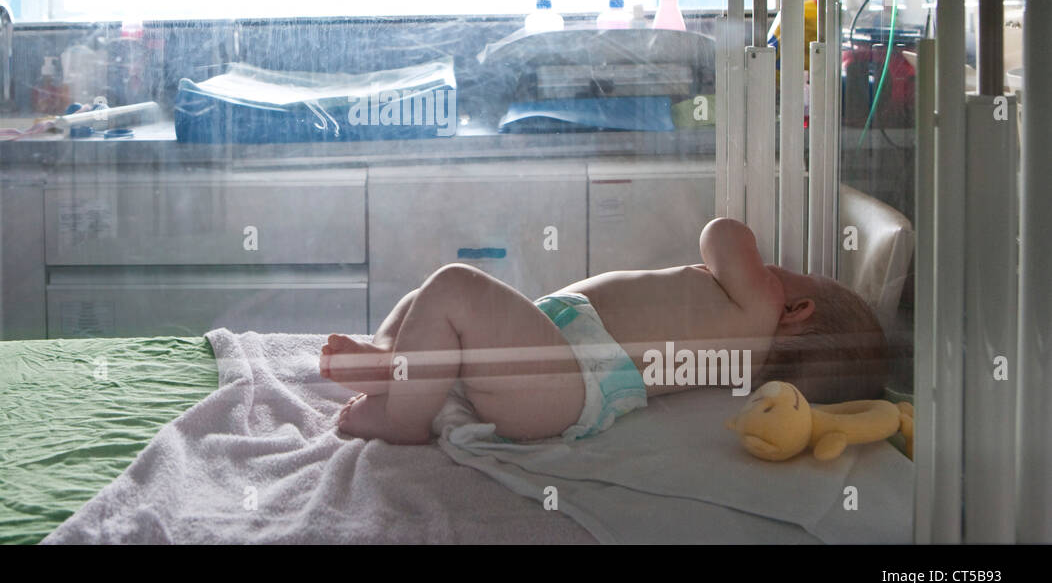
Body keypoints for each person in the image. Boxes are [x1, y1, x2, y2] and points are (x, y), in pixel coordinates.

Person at [320, 217, 887, 444]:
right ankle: (393, 360)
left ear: (798, 309)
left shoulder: (760, 306)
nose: (774, 272)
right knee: (428, 303)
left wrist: (759, 270)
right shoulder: (739, 350)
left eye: (793, 275)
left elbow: (722, 230)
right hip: (559, 371)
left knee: (452, 288)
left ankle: (403, 420)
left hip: (565, 374)